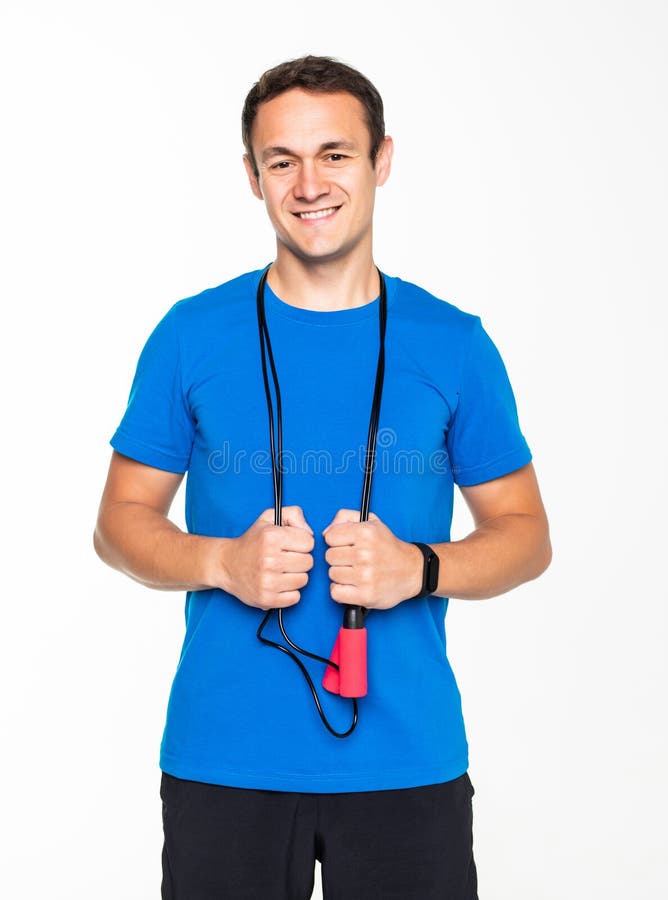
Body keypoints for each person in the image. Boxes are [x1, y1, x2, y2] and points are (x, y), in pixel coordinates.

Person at [94, 55, 551, 900]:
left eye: (336, 154)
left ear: (381, 161)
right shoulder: (191, 334)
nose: (310, 183)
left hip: (407, 764)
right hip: (223, 759)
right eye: (282, 161)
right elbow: (119, 520)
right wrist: (219, 563)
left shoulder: (453, 342)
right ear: (253, 177)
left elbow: (526, 536)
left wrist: (421, 567)